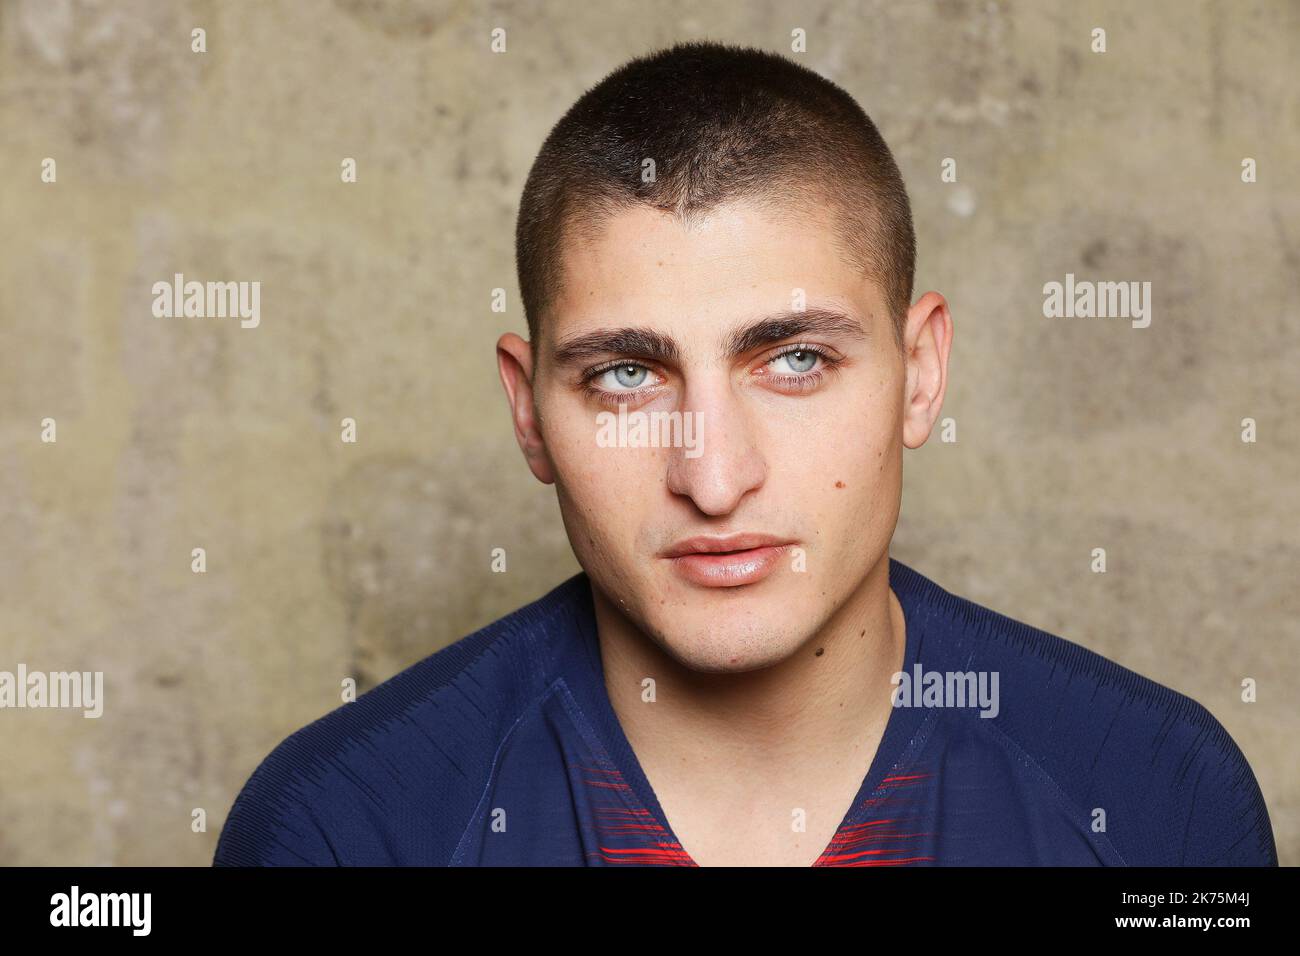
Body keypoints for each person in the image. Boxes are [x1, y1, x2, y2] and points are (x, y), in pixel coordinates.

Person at [214, 40, 1277, 866]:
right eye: (626, 376)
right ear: (528, 412)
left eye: (796, 359)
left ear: (920, 373)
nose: (713, 477)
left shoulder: (1154, 794)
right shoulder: (345, 827)